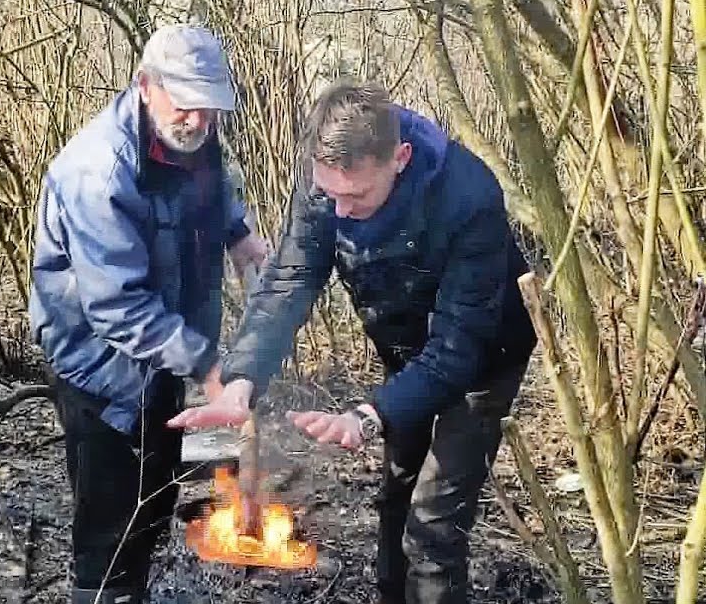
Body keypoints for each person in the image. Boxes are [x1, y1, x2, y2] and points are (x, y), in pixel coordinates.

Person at [168, 80, 538, 604]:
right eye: (330, 193)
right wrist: (241, 378)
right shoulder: (326, 187)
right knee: (396, 494)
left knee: (432, 525)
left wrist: (367, 416)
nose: (339, 210)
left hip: (483, 358)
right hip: (406, 348)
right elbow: (291, 280)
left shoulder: (469, 199)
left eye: (356, 195)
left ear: (401, 158)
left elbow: (456, 351)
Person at [28, 23, 269, 604]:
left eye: (211, 110)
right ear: (145, 85)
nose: (200, 123)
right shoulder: (100, 173)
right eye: (187, 106)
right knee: (110, 529)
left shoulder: (191, 137)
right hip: (100, 371)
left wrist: (237, 234)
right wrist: (209, 365)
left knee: (152, 502)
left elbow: (213, 189)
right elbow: (116, 306)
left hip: (161, 356)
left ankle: (130, 589)